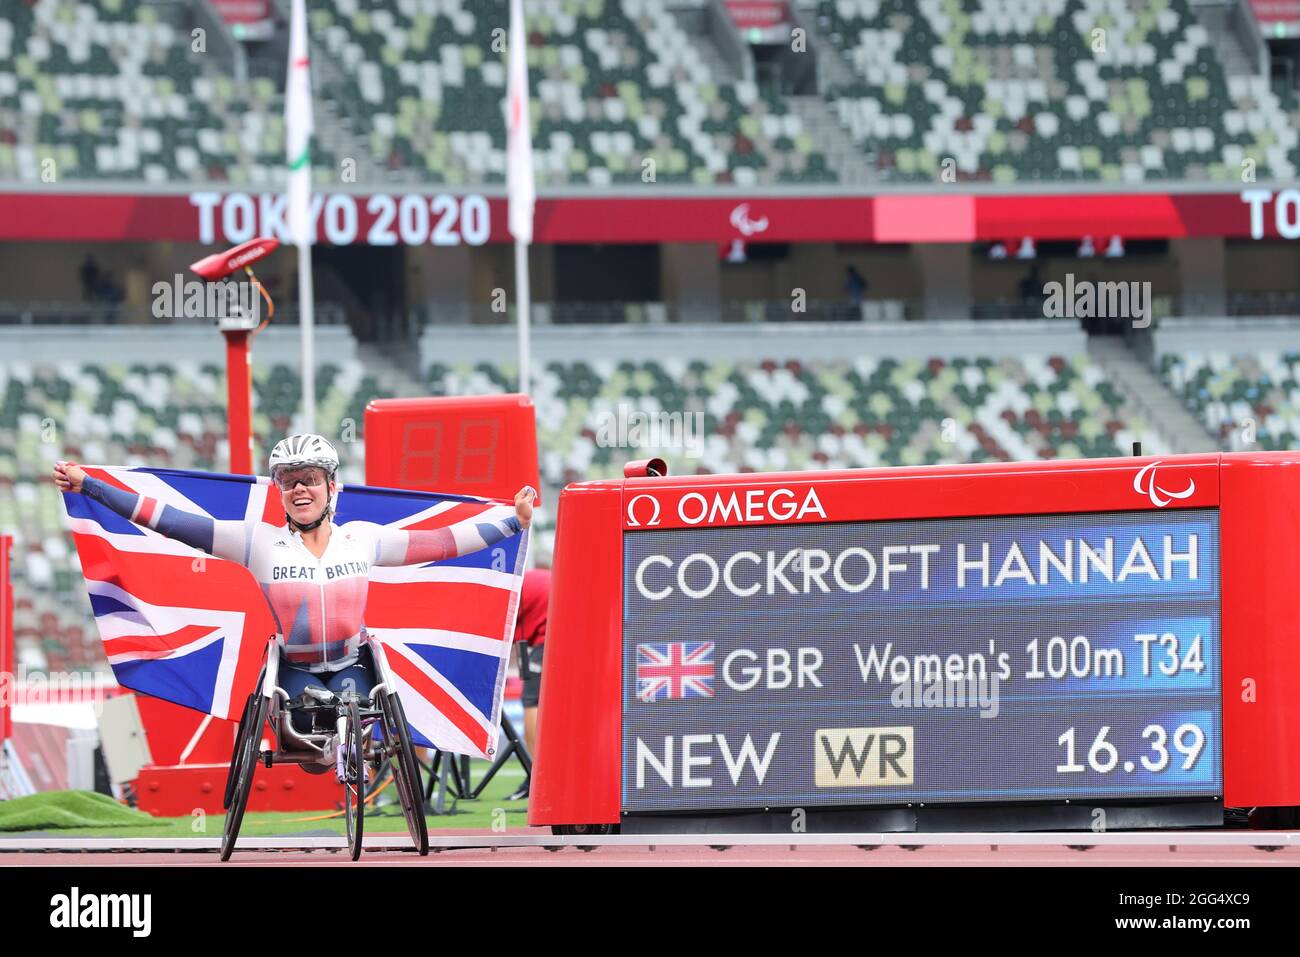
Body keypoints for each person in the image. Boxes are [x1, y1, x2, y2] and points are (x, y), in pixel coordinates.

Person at [53, 434, 535, 733]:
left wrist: (513, 522)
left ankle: (359, 757)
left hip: (354, 665)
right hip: (294, 673)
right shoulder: (256, 543)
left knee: (357, 711)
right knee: (308, 731)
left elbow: (443, 542)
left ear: (332, 487)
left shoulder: (361, 541)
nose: (299, 488)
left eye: (309, 479)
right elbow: (171, 521)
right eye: (288, 482)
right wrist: (90, 486)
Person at [509, 567, 550, 799]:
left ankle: (538, 773)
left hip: (551, 633)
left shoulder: (502, 588)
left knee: (532, 700)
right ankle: (542, 771)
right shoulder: (529, 578)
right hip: (569, 627)